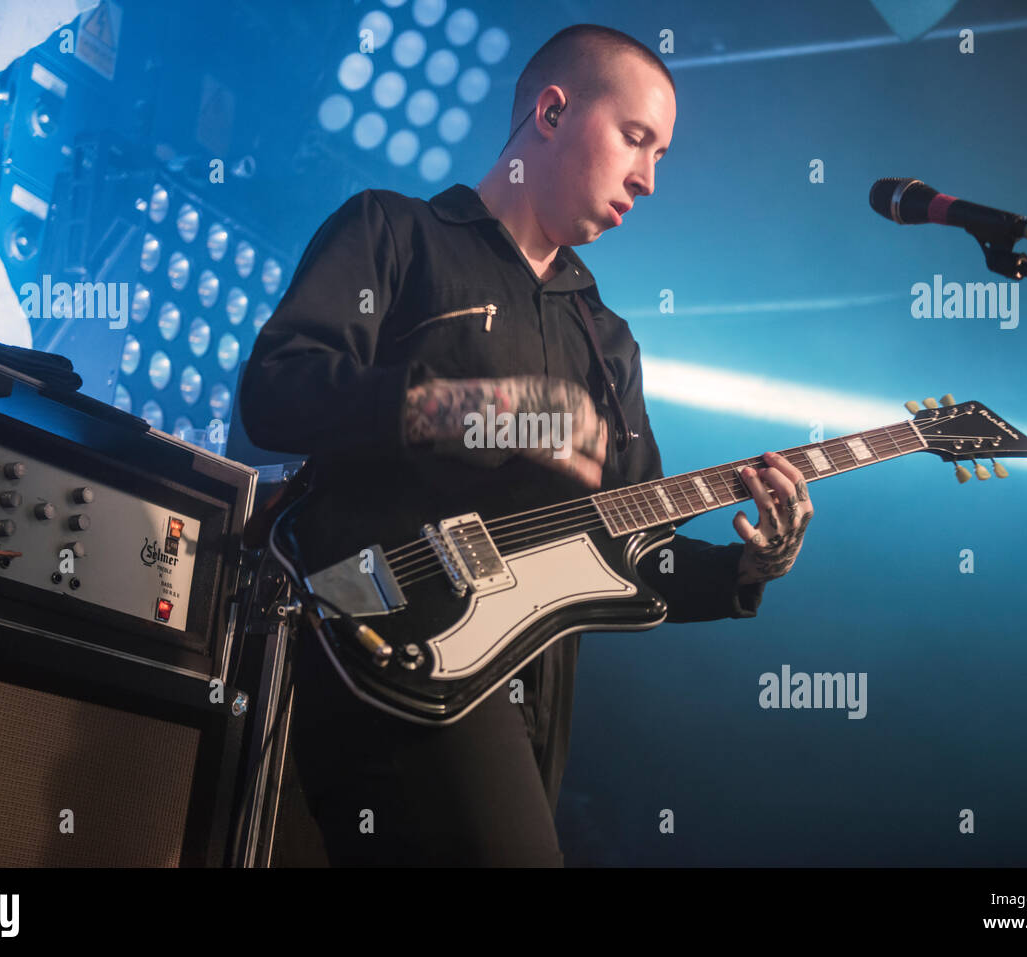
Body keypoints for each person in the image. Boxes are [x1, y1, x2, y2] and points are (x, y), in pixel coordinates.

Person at [239, 24, 813, 866]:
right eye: (636, 138)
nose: (650, 180)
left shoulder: (608, 342)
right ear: (551, 110)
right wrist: (474, 410)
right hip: (389, 640)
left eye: (662, 155)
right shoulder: (395, 233)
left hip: (533, 697)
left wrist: (748, 568)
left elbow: (636, 549)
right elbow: (274, 393)